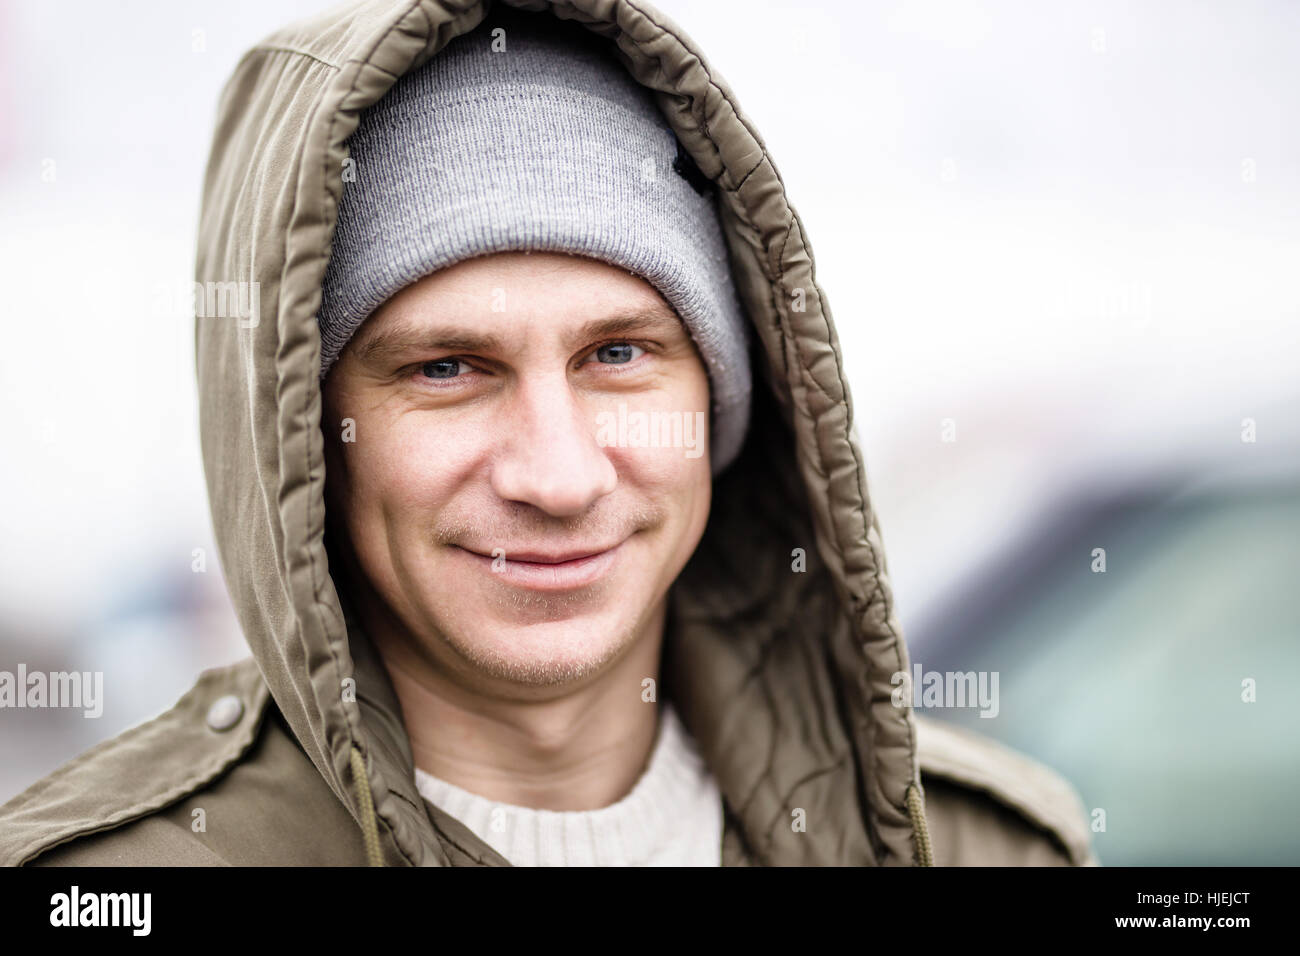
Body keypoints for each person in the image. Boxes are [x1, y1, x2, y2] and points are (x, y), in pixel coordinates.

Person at [0, 0, 1096, 866]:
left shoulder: (978, 847)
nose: (559, 474)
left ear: (725, 392)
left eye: (619, 354)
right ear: (299, 435)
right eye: (446, 369)